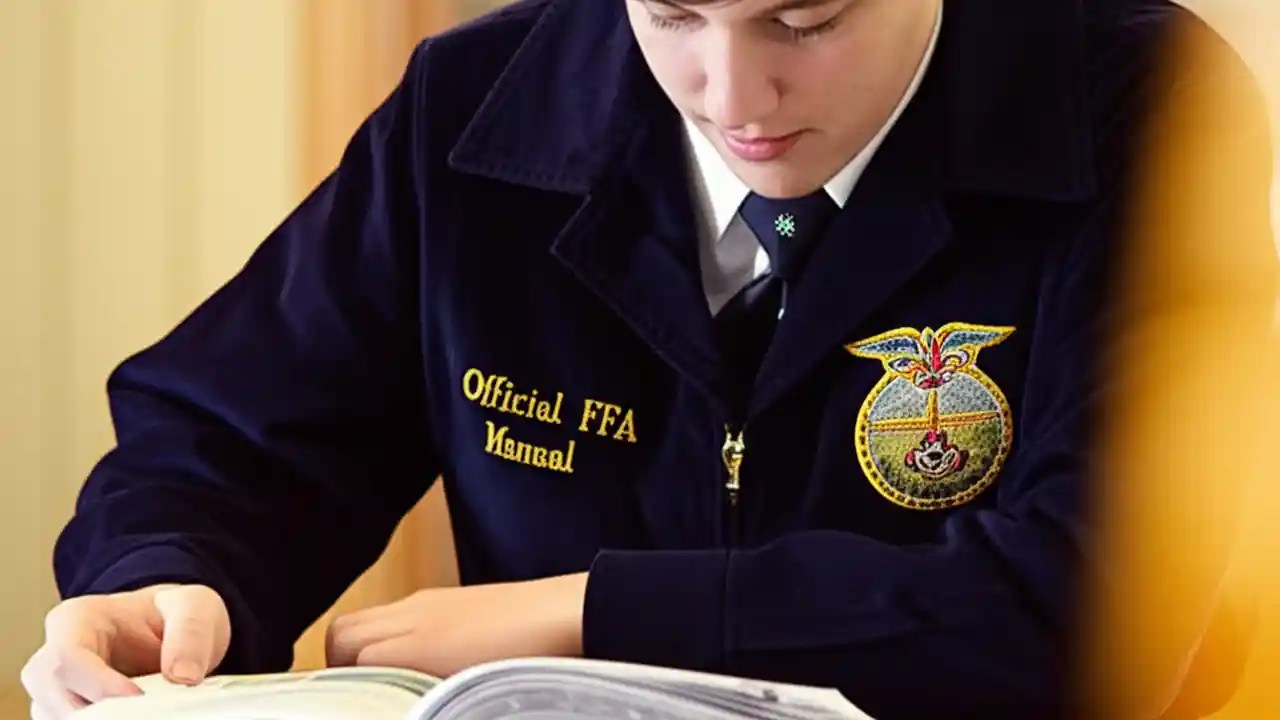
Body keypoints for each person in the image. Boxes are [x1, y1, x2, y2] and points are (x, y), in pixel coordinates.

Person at [22, 0, 1277, 718]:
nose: (734, 90)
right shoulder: (473, 103)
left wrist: (584, 617)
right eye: (672, 10)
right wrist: (168, 576)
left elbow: (1103, 609)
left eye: (806, 16)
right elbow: (233, 432)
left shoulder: (1141, 99)